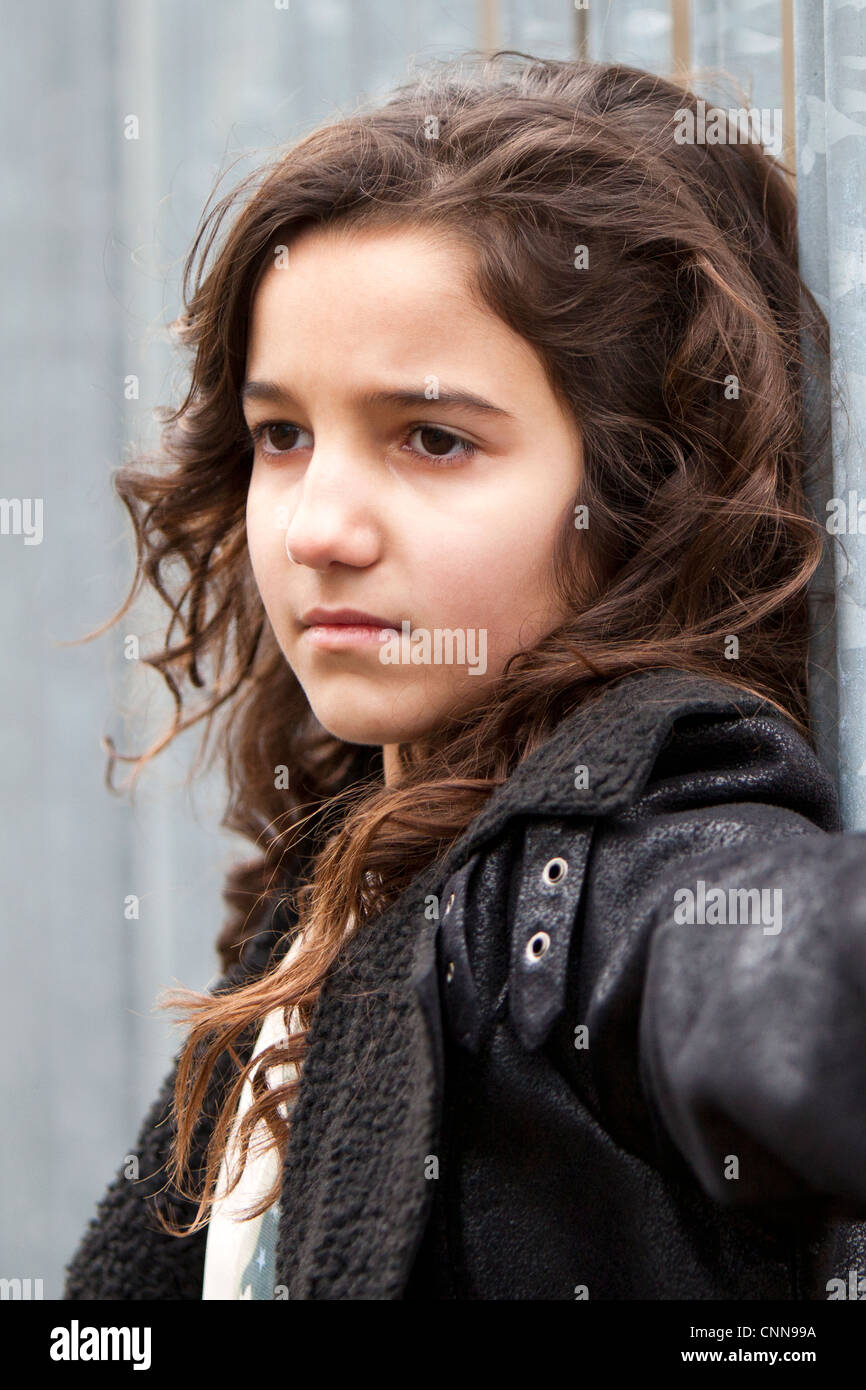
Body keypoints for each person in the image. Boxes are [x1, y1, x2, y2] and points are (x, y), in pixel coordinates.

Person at [62, 50, 866, 1301]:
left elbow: (770, 970)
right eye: (283, 434)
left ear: (637, 487)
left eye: (432, 438)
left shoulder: (597, 878)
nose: (317, 525)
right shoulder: (352, 871)